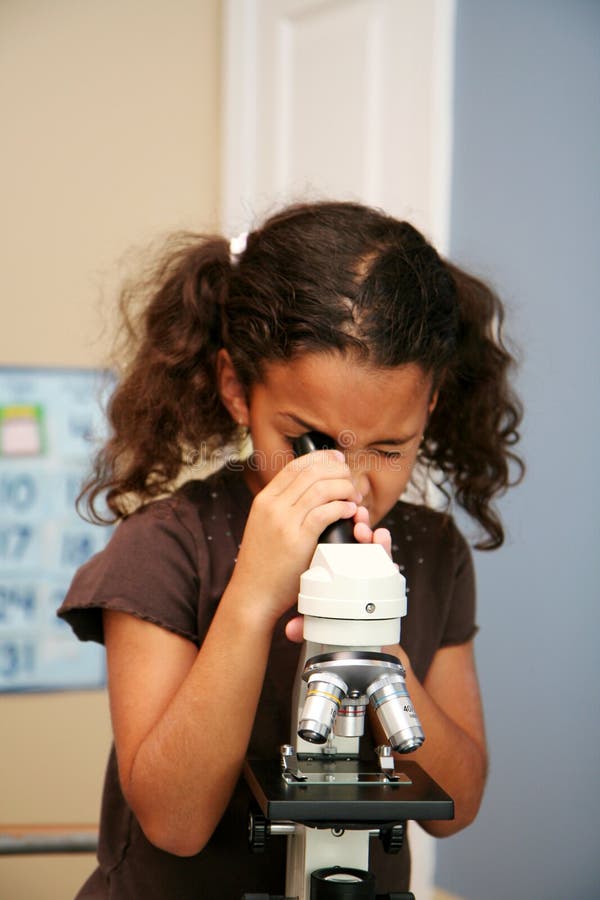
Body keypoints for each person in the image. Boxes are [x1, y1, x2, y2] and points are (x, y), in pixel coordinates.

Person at [58, 200, 523, 899]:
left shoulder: (431, 551)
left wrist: (370, 640)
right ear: (236, 390)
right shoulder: (166, 548)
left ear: (430, 406)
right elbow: (175, 821)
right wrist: (252, 595)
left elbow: (457, 806)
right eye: (311, 444)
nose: (353, 482)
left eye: (390, 449)